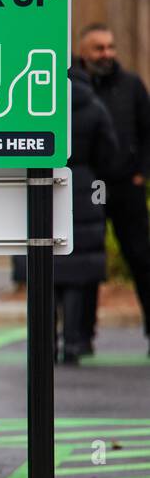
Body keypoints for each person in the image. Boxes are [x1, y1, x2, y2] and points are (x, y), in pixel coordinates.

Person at [77, 24, 150, 353]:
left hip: (125, 185)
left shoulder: (131, 85)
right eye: (98, 48)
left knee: (141, 256)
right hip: (91, 188)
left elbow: (148, 130)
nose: (106, 54)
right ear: (83, 51)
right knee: (88, 260)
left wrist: (141, 174)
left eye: (110, 47)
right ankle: (82, 335)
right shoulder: (74, 87)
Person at [56, 63, 119, 363]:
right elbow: (109, 155)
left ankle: (46, 342)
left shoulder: (41, 102)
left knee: (48, 272)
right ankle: (74, 341)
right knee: (78, 276)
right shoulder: (94, 107)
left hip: (45, 187)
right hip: (86, 190)